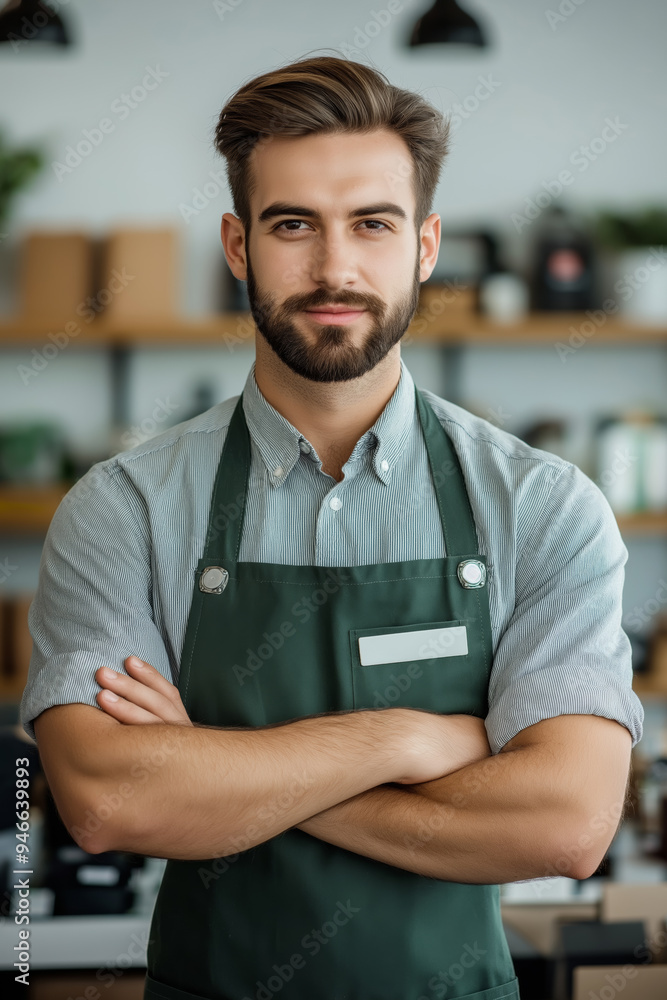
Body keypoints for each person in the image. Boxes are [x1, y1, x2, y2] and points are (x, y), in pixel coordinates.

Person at [23, 54, 643, 1000]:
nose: (333, 268)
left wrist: (218, 767)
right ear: (238, 246)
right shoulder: (123, 509)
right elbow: (110, 802)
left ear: (424, 246)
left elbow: (562, 826)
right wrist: (404, 738)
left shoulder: (543, 507)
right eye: (292, 225)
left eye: (372, 224)